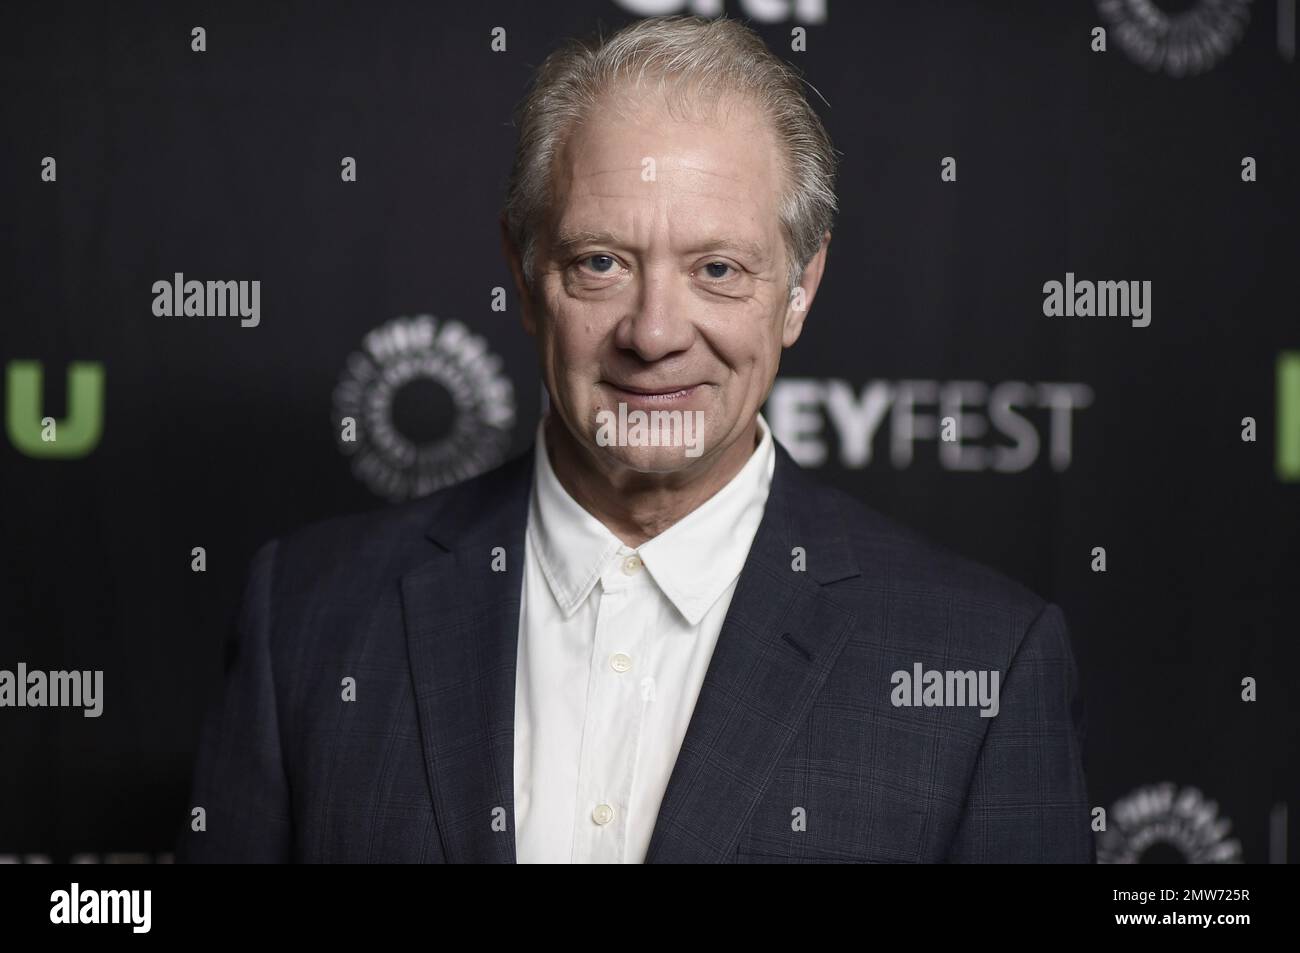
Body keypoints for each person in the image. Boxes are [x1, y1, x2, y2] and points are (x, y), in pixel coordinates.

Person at [177, 14, 1093, 863]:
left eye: (718, 269)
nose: (655, 333)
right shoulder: (304, 618)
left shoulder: (983, 666)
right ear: (525, 275)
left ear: (800, 289)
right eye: (602, 262)